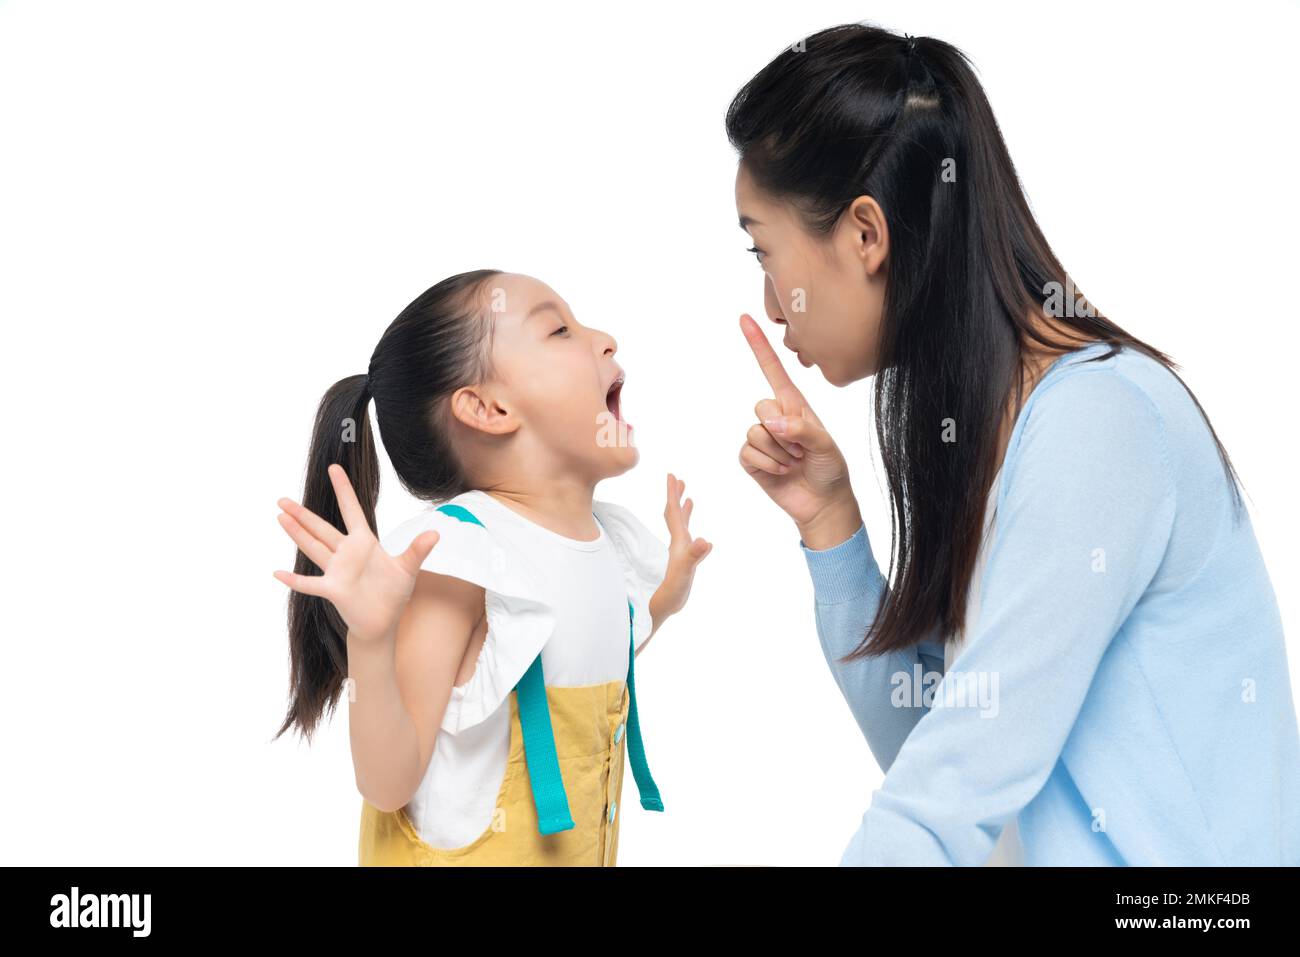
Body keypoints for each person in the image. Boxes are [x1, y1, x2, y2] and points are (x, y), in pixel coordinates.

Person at [729, 23, 1300, 865]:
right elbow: (946, 757)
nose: (772, 305)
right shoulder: (1002, 432)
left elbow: (948, 798)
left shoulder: (1098, 426)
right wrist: (830, 523)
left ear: (866, 235)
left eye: (763, 250)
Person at [272, 269, 711, 865]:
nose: (606, 339)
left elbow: (580, 654)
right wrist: (371, 640)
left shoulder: (605, 543)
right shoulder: (459, 563)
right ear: (489, 407)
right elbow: (386, 783)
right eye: (559, 330)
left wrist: (663, 601)